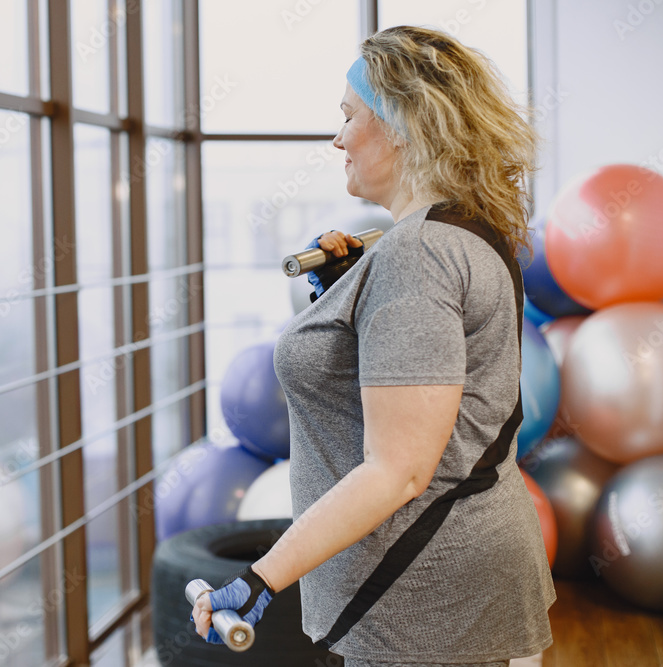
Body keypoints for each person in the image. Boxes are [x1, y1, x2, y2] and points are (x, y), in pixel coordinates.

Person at [192, 25, 556, 667]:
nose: (337, 139)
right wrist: (348, 298)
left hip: (426, 591)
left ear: (403, 125)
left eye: (348, 116)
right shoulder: (462, 233)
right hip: (444, 577)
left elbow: (399, 469)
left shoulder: (418, 254)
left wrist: (260, 580)